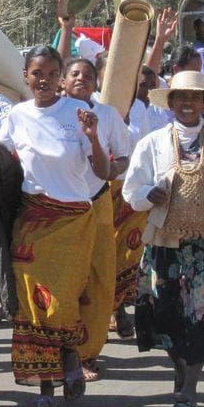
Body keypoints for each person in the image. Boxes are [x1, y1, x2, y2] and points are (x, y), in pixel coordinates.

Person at [0, 46, 110, 407]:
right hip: (31, 220)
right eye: (36, 73)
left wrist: (92, 137)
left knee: (59, 303)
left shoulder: (79, 115)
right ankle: (44, 387)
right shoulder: (15, 116)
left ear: (61, 77)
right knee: (32, 304)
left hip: (73, 222)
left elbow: (104, 172)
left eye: (50, 73)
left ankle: (71, 355)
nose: (43, 80)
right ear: (25, 77)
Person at [123, 71, 204, 407]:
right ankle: (180, 371)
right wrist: (147, 194)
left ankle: (189, 388)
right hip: (164, 242)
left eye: (195, 98)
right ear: (170, 103)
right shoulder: (151, 143)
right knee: (164, 311)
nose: (188, 103)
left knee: (203, 315)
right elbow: (131, 191)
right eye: (181, 97)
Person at [61, 57, 131, 380]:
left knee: (99, 280)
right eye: (74, 73)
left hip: (99, 203)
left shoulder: (107, 114)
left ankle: (88, 354)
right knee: (65, 282)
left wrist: (110, 170)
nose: (81, 78)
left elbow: (126, 157)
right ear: (63, 80)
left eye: (88, 75)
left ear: (95, 82)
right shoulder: (48, 112)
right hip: (59, 210)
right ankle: (63, 350)